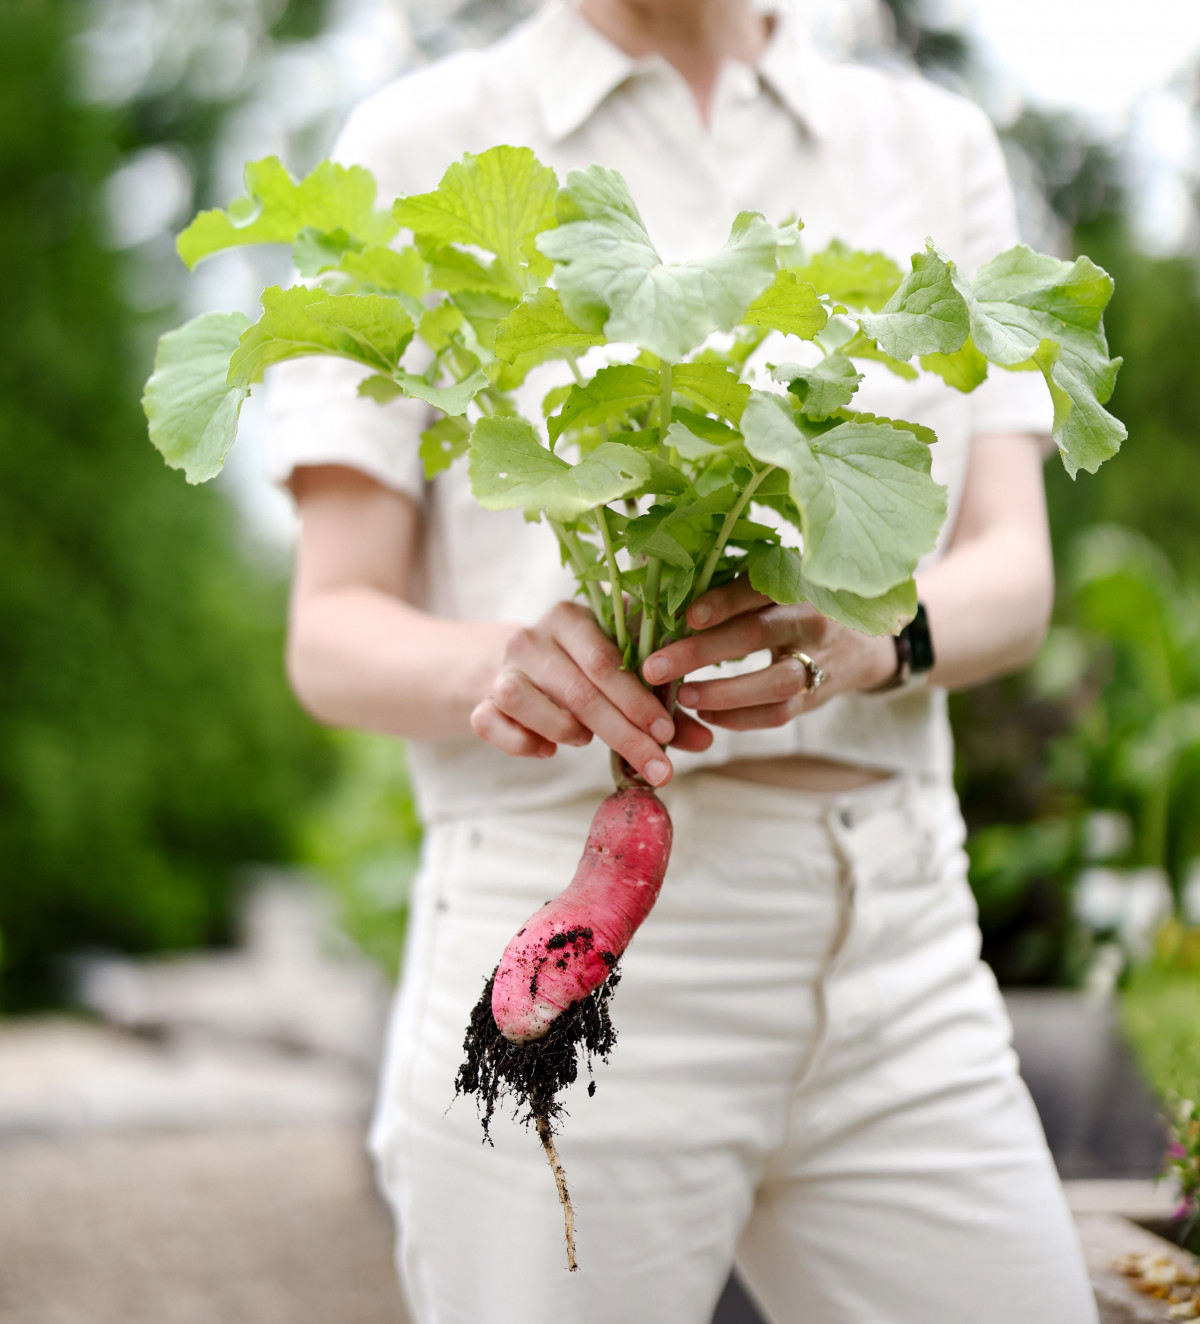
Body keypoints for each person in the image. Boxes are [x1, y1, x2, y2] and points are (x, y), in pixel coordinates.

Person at [267, 1, 1100, 1321]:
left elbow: (1012, 573)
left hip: (897, 938)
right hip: (567, 925)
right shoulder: (425, 138)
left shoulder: (929, 145)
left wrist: (871, 637)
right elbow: (332, 633)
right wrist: (515, 666)